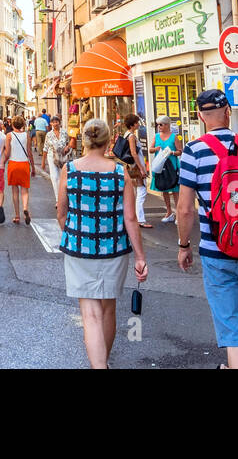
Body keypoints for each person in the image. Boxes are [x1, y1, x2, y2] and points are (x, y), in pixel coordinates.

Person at [175, 89, 238, 370]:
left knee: (234, 334)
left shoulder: (193, 151)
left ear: (200, 116)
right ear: (228, 112)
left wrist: (184, 245)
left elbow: (184, 209)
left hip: (217, 251)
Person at [58, 118, 148, 369]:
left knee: (90, 314)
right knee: (108, 308)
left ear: (85, 140)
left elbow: (61, 212)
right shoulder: (119, 171)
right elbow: (130, 218)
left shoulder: (70, 169)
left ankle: (99, 366)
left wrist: (72, 234)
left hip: (79, 249)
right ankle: (103, 362)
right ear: (109, 141)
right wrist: (140, 257)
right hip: (114, 249)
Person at [115, 113, 152, 229]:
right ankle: (140, 219)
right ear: (133, 124)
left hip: (130, 167)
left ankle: (133, 216)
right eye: (136, 123)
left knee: (135, 192)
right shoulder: (131, 136)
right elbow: (134, 153)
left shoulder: (126, 134)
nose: (138, 125)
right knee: (141, 192)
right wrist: (142, 168)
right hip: (135, 167)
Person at [150, 115, 182, 223]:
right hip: (160, 167)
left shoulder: (174, 137)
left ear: (167, 125)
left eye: (161, 124)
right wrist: (156, 149)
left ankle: (178, 214)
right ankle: (169, 212)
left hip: (172, 166)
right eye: (158, 124)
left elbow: (180, 151)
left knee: (175, 191)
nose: (159, 126)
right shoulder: (156, 136)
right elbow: (150, 150)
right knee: (164, 189)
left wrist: (172, 152)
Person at [4, 115, 35, 224]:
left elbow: (7, 153)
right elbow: (30, 153)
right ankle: (25, 208)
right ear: (23, 124)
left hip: (13, 164)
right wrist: (33, 167)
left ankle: (17, 215)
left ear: (12, 124)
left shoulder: (9, 136)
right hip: (24, 164)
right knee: (25, 190)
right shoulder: (27, 136)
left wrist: (2, 163)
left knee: (15, 191)